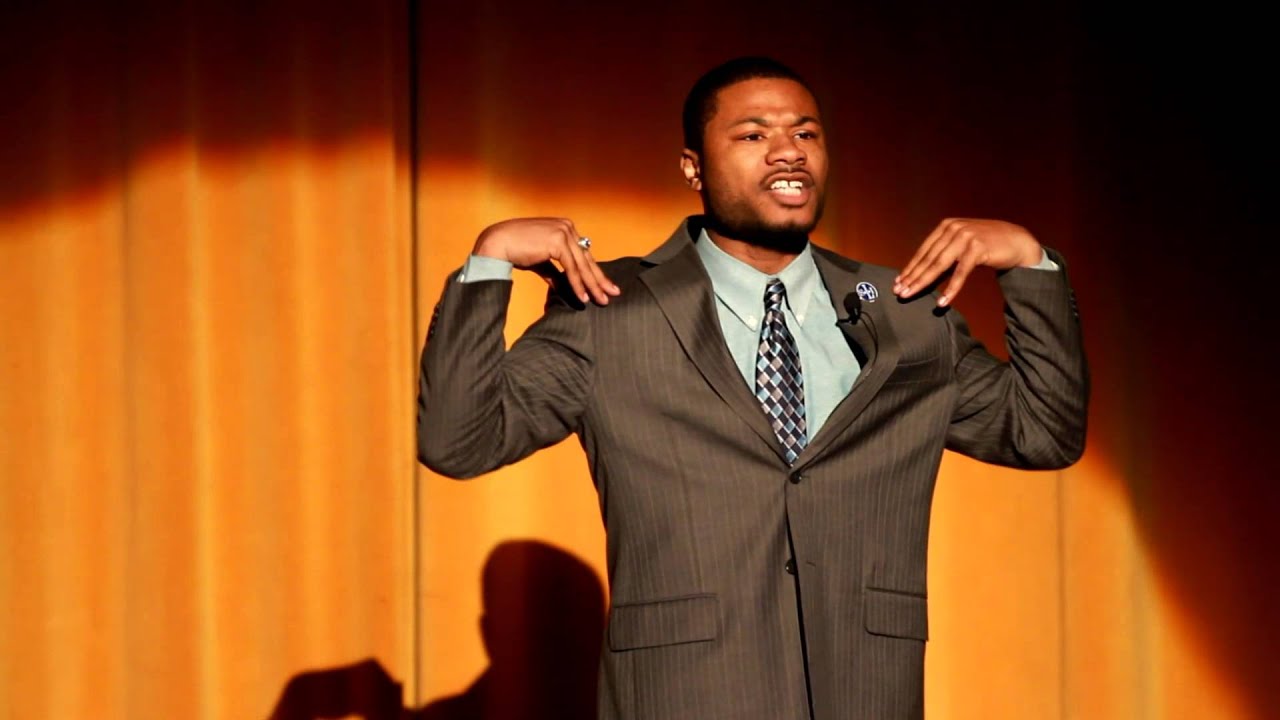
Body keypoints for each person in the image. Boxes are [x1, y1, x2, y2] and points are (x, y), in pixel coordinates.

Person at [417, 56, 1088, 720]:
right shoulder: (610, 310)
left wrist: (1029, 263)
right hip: (689, 696)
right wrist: (491, 261)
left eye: (805, 133)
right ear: (693, 167)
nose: (787, 153)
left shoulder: (904, 311)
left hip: (865, 691)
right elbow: (458, 441)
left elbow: (1042, 433)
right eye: (753, 135)